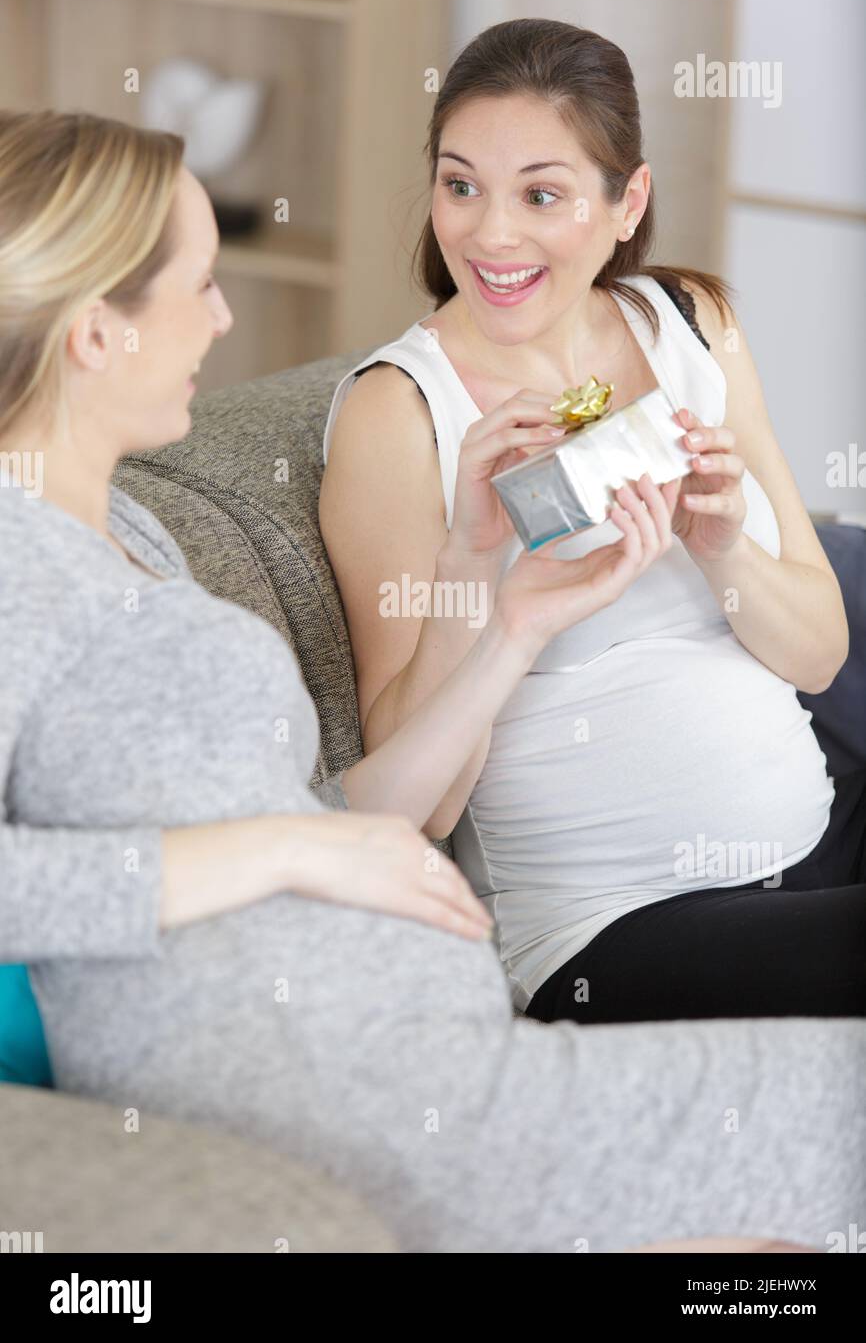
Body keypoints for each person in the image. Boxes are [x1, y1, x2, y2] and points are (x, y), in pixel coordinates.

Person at [1, 107, 862, 1254]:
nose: (226, 316)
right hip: (363, 1090)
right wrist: (284, 848)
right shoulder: (18, 558)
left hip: (435, 1036)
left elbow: (366, 819)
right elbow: (291, 843)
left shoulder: (126, 534)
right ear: (96, 332)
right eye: (200, 284)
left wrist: (502, 616)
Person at [319, 18, 865, 1027]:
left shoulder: (692, 322)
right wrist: (474, 559)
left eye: (540, 193)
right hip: (613, 926)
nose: (489, 235)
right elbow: (420, 804)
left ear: (628, 203)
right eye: (459, 185)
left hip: (821, 843)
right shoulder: (399, 412)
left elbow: (820, 654)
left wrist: (718, 547)